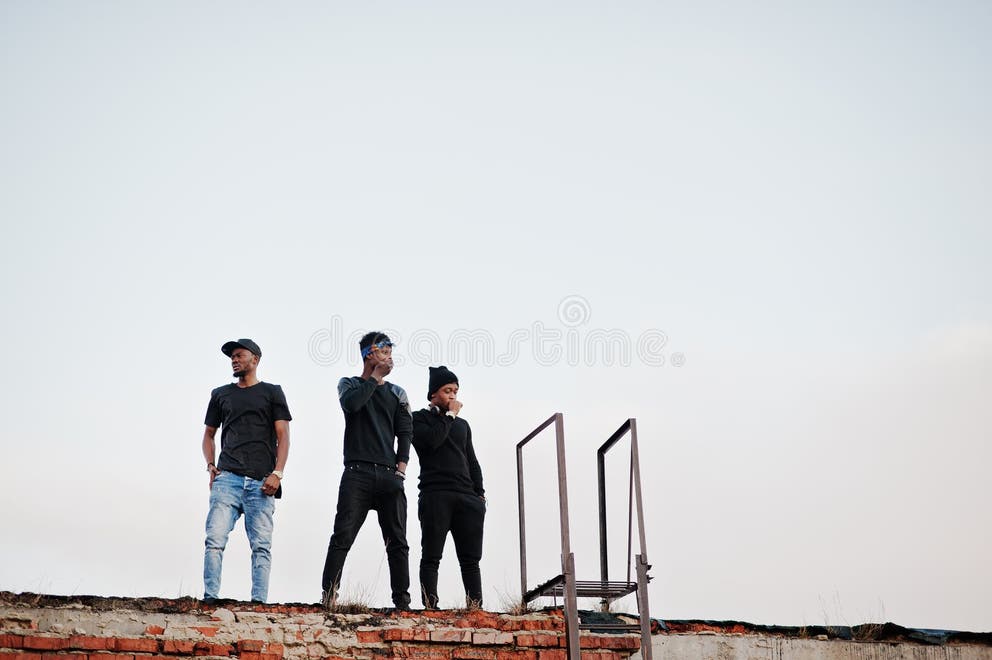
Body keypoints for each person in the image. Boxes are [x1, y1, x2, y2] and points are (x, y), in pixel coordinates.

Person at [321, 331, 413, 610]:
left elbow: (405, 430)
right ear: (368, 355)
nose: (389, 357)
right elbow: (352, 405)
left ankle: (402, 603)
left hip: (389, 475)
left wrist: (401, 468)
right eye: (383, 351)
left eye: (390, 352)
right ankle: (328, 597)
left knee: (397, 541)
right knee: (342, 536)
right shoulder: (348, 384)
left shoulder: (398, 392)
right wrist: (373, 378)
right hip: (357, 473)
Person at [201, 338, 291, 603]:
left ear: (255, 359)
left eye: (239, 355)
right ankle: (210, 598)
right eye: (232, 357)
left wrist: (278, 473)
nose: (234, 360)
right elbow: (208, 435)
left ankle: (259, 603)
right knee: (214, 539)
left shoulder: (272, 392)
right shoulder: (220, 394)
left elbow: (283, 435)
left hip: (261, 481)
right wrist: (210, 466)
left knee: (261, 546)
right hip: (227, 478)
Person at [411, 366, 485, 609]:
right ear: (433, 394)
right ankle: (431, 608)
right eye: (447, 390)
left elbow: (472, 460)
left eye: (455, 391)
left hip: (467, 498)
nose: (453, 396)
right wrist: (449, 416)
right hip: (436, 495)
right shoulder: (419, 419)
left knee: (471, 560)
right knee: (432, 556)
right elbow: (433, 441)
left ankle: (475, 608)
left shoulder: (463, 425)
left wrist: (480, 495)